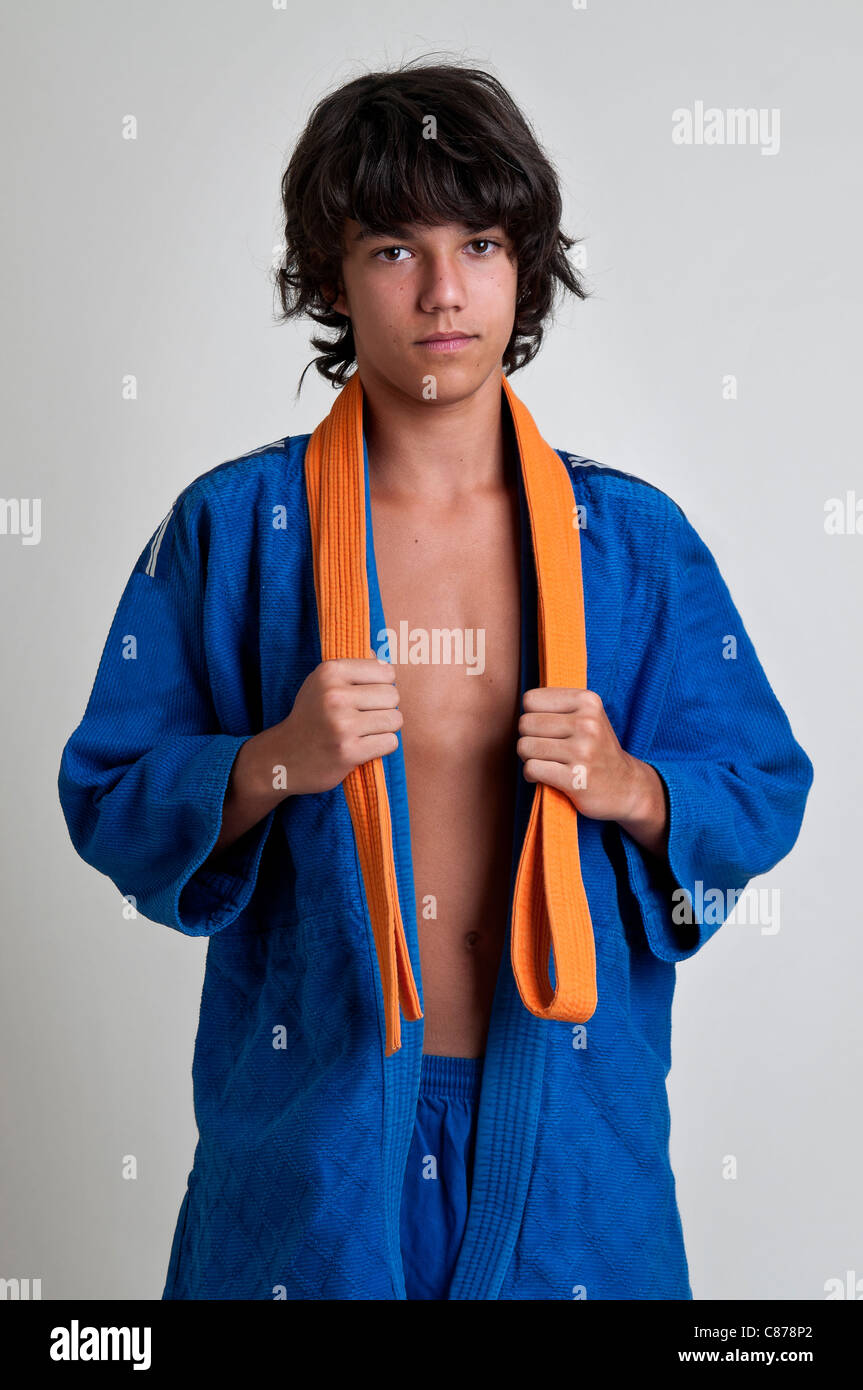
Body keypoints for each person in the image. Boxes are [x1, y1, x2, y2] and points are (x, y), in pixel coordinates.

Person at [57, 57, 814, 1301]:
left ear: (524, 265)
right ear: (330, 276)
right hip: (313, 1147)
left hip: (574, 1148)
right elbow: (108, 793)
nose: (444, 290)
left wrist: (630, 785)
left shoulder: (630, 544)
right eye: (393, 250)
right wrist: (268, 761)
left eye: (478, 240)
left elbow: (761, 787)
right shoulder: (236, 529)